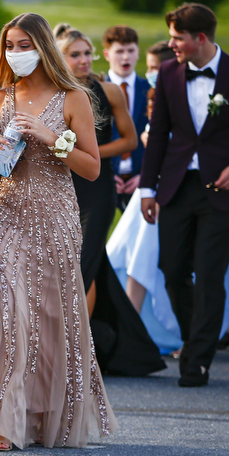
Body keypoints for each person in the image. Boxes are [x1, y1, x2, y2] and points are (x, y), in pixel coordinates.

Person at [0, 13, 118, 451]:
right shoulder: (0, 97)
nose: (15, 54)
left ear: (43, 47)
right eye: (9, 46)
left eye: (23, 45)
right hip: (10, 213)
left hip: (56, 214)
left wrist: (55, 138)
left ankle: (43, 414)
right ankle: (2, 417)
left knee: (51, 315)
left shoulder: (73, 96)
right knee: (7, 311)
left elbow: (91, 168)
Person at [108, 41, 229, 355]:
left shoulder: (225, 83)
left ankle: (195, 341)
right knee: (146, 261)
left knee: (207, 268)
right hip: (160, 193)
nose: (154, 76)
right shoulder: (158, 98)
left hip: (206, 192)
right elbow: (153, 142)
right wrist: (147, 189)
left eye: (158, 68)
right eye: (152, 69)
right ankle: (136, 332)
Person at [139, 3, 229, 388]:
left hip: (222, 189)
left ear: (200, 38)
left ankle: (197, 360)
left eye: (177, 38)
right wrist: (148, 188)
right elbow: (159, 134)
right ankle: (194, 337)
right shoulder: (168, 73)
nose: (171, 44)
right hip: (176, 187)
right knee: (173, 269)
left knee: (211, 273)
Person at [55, 24, 163, 376]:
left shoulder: (109, 91)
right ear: (59, 58)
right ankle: (96, 343)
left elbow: (131, 141)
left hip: (97, 189)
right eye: (76, 55)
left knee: (82, 266)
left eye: (88, 53)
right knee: (83, 265)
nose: (84, 60)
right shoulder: (52, 92)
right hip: (60, 188)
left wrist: (87, 154)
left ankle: (75, 350)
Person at [102, 26, 151, 211]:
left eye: (130, 51)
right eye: (119, 51)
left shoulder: (150, 90)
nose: (125, 57)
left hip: (141, 176)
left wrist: (145, 176)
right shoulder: (95, 91)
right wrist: (105, 175)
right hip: (105, 176)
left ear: (138, 53)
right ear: (107, 54)